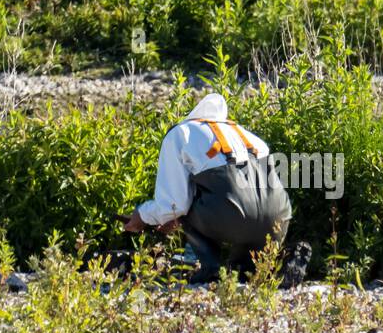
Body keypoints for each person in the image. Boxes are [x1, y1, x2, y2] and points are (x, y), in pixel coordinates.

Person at [122, 93, 292, 283]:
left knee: (187, 201)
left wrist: (142, 215)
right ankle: (254, 268)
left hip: (234, 217)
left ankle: (211, 269)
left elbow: (174, 204)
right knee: (244, 272)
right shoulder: (247, 135)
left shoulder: (181, 133)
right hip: (280, 218)